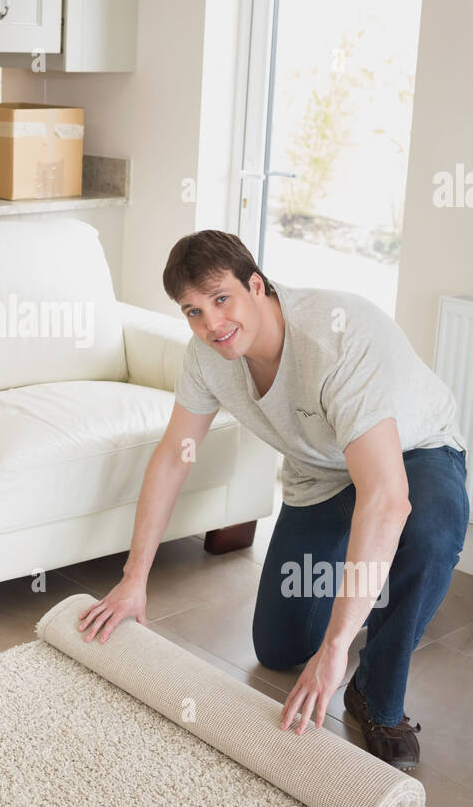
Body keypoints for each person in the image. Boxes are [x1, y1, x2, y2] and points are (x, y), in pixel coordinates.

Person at [78, 229, 469, 770]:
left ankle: (378, 695)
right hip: (324, 477)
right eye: (193, 311)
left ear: (256, 285)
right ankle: (368, 576)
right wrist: (134, 577)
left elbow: (386, 497)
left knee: (428, 533)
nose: (211, 324)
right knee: (281, 649)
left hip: (412, 456)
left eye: (221, 299)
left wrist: (336, 650)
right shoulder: (207, 358)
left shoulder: (336, 339)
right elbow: (174, 456)